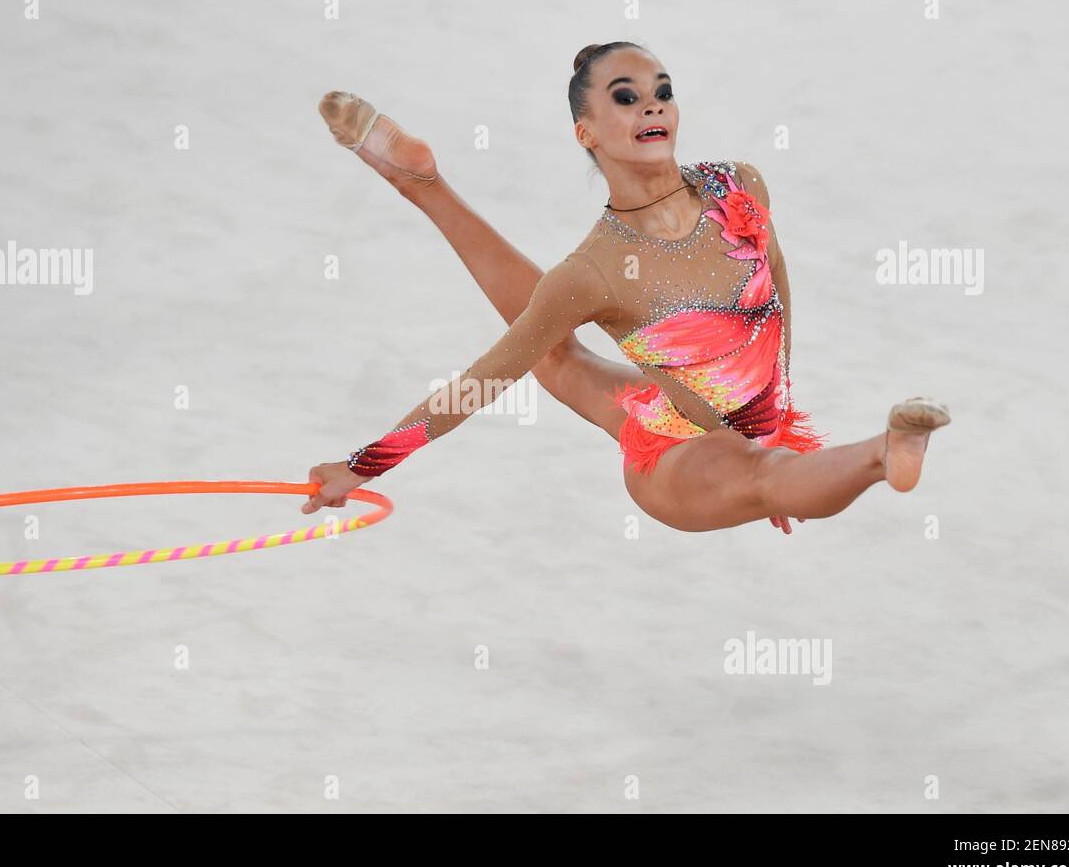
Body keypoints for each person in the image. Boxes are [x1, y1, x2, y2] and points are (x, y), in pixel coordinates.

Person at [302, 41, 950, 534]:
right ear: (585, 134)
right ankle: (884, 451)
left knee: (569, 361)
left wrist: (775, 416)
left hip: (701, 409)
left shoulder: (738, 184)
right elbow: (483, 380)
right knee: (757, 473)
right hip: (671, 461)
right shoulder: (595, 270)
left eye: (661, 91)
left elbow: (775, 282)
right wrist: (362, 466)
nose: (651, 104)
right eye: (624, 96)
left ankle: (423, 182)